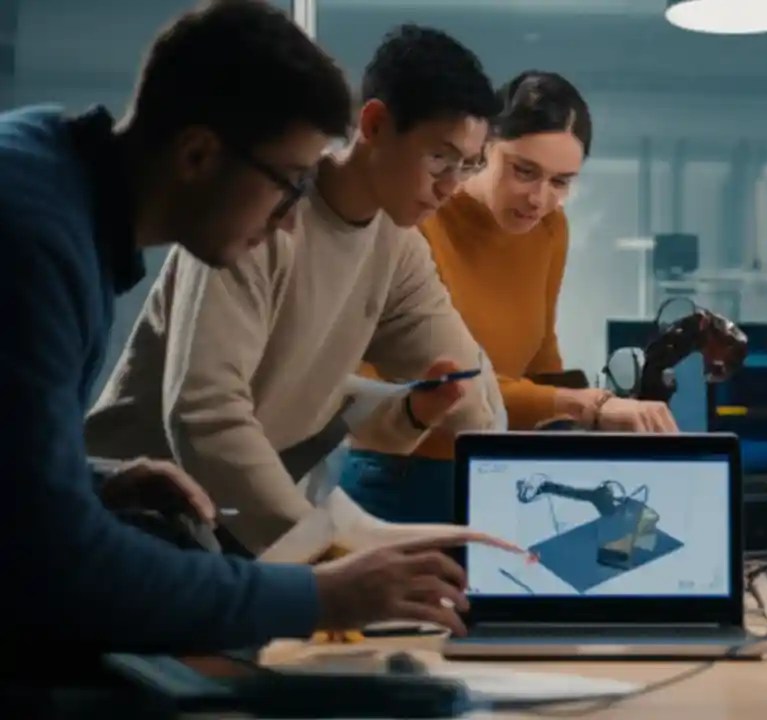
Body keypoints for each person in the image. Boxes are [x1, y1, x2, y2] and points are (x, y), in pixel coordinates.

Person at [0, 0, 509, 660]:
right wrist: (321, 591)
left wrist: (95, 481)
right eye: (292, 182)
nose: (295, 220)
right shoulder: (35, 241)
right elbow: (60, 561)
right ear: (199, 155)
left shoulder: (58, 186)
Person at [84, 22, 510, 557]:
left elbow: (471, 386)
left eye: (468, 165)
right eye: (440, 157)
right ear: (374, 123)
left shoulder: (397, 245)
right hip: (130, 516)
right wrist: (322, 555)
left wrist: (498, 482)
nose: (451, 186)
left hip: (230, 526)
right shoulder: (256, 211)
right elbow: (204, 413)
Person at [339, 71, 677, 523]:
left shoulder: (551, 230)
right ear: (483, 148)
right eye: (524, 171)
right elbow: (450, 382)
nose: (539, 199)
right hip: (393, 470)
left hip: (491, 469)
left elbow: (541, 355)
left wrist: (593, 425)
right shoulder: (422, 217)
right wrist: (589, 405)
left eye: (561, 182)